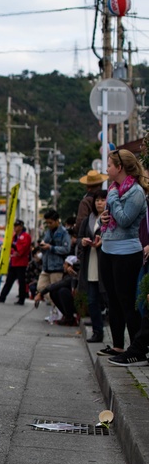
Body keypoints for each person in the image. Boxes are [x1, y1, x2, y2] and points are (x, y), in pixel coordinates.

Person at [96, 149, 149, 359]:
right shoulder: (114, 189)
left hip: (127, 252)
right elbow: (110, 218)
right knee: (113, 300)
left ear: (119, 167)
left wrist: (114, 199)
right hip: (108, 249)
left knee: (127, 300)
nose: (106, 168)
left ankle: (137, 350)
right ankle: (118, 345)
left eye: (109, 165)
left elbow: (125, 219)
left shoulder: (134, 192)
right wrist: (102, 220)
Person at [77, 189, 107, 343]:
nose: (99, 203)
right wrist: (83, 242)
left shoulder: (110, 219)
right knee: (92, 300)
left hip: (105, 265)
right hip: (90, 264)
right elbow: (80, 238)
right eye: (97, 200)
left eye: (102, 199)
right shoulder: (88, 219)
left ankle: (116, 337)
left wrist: (102, 241)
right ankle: (97, 332)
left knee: (108, 300)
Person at [35, 209, 71, 305]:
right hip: (46, 265)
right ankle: (55, 309)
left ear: (57, 221)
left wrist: (51, 247)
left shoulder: (64, 232)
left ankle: (57, 313)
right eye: (47, 223)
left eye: (50, 222)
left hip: (57, 266)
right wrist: (42, 245)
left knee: (55, 290)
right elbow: (45, 243)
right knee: (41, 287)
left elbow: (66, 249)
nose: (49, 225)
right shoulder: (48, 231)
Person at [33, 255, 79, 325]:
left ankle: (70, 317)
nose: (63, 266)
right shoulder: (68, 275)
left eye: (65, 264)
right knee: (54, 292)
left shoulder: (73, 276)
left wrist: (41, 294)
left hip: (79, 304)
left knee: (62, 291)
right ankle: (66, 316)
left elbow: (57, 285)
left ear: (71, 266)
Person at [0, 220, 31, 304]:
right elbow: (10, 248)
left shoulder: (26, 236)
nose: (15, 228)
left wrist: (16, 248)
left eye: (16, 226)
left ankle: (21, 299)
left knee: (21, 282)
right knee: (9, 281)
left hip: (21, 262)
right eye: (14, 226)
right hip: (14, 261)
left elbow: (23, 248)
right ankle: (2, 297)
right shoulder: (14, 236)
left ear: (21, 227)